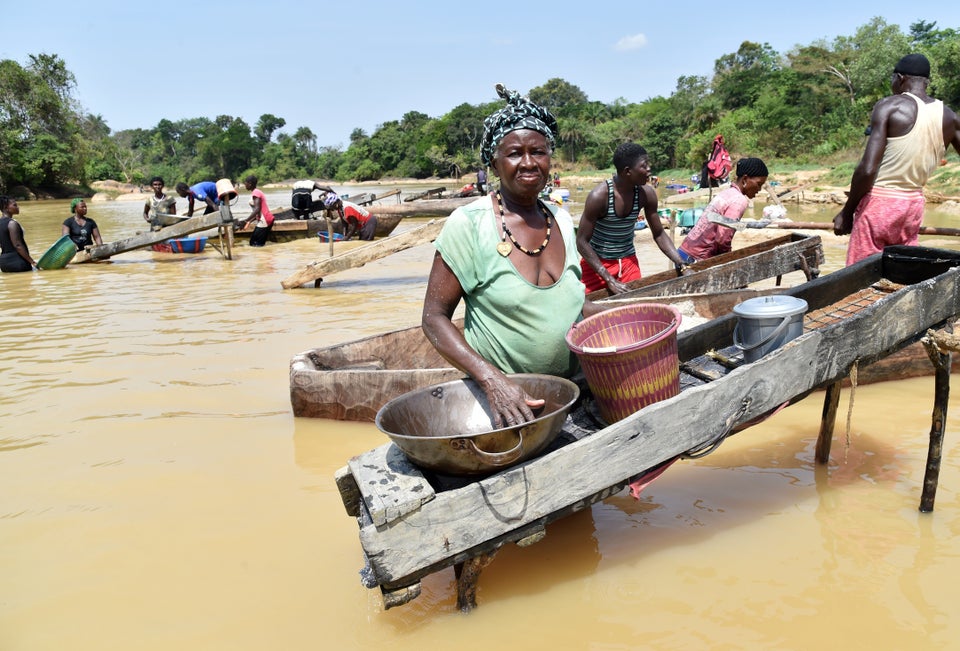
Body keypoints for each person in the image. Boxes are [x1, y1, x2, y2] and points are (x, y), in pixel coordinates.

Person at [421, 84, 603, 428]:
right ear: (495, 163)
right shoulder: (469, 224)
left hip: (574, 393)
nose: (529, 163)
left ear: (550, 159)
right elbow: (434, 318)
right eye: (515, 153)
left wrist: (623, 322)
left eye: (538, 151)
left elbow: (573, 304)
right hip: (507, 404)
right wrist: (492, 381)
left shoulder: (561, 219)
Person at [833, 53, 960, 265]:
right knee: (903, 269)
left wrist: (847, 212)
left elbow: (867, 169)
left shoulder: (889, 106)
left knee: (862, 273)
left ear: (900, 78)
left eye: (892, 78)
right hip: (912, 206)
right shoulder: (949, 116)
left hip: (880, 204)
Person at [577, 143, 689, 294]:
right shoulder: (599, 197)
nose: (649, 169)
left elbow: (659, 234)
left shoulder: (646, 194)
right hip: (597, 266)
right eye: (644, 165)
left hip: (628, 263)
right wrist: (608, 279)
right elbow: (581, 241)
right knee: (582, 304)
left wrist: (682, 264)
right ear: (627, 171)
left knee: (636, 303)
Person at [677, 157, 769, 262]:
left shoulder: (727, 193)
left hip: (683, 254)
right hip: (695, 259)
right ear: (745, 179)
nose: (759, 189)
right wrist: (728, 260)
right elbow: (722, 239)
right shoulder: (739, 200)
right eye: (759, 184)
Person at [0, 196, 36, 272]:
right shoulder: (12, 223)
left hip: (3, 264)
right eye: (15, 205)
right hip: (18, 262)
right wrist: (32, 262)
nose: (18, 207)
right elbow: (18, 245)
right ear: (6, 207)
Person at [237, 175, 275, 247]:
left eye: (246, 183)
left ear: (250, 184)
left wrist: (245, 221)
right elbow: (257, 212)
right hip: (265, 219)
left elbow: (257, 209)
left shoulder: (256, 193)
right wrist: (248, 222)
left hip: (264, 220)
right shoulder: (257, 192)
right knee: (257, 243)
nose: (245, 185)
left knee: (255, 243)